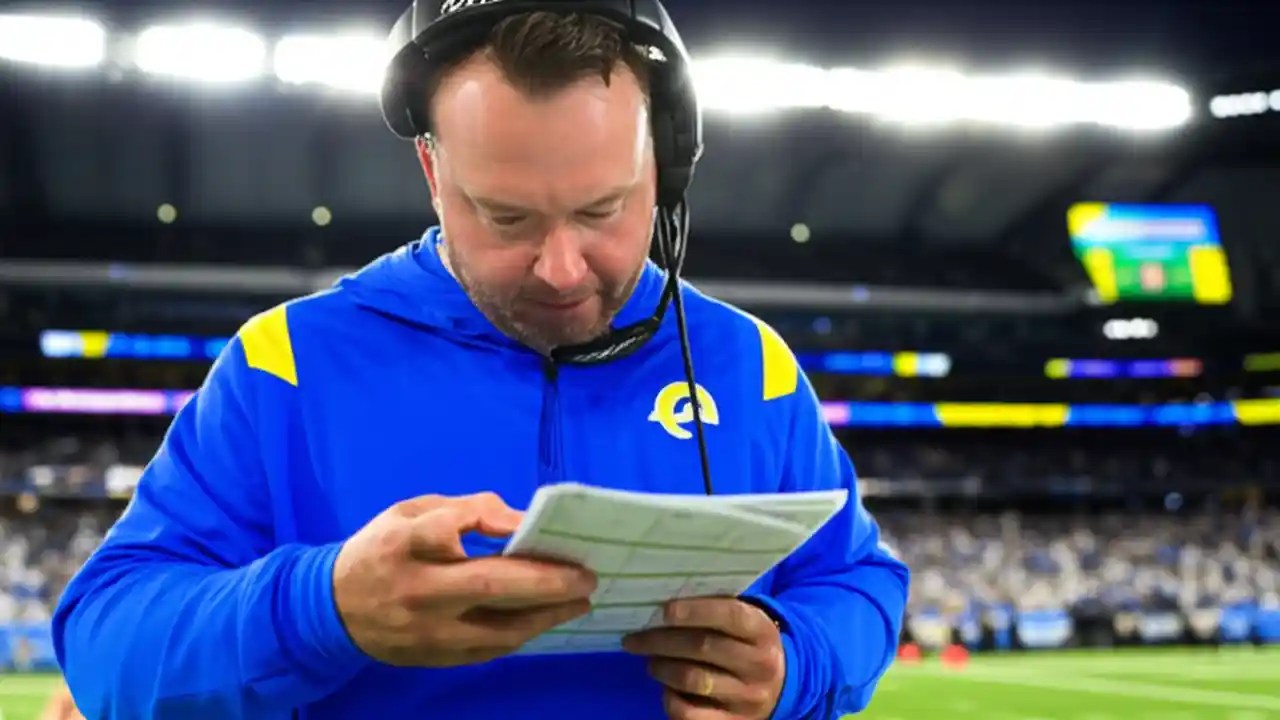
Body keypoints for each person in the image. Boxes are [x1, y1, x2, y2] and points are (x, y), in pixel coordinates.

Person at [51, 3, 909, 719]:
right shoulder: (286, 364)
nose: (564, 268)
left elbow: (857, 580)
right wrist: (323, 607)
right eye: (506, 219)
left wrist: (795, 666)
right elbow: (104, 645)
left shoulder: (749, 364)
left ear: (667, 171)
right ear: (432, 170)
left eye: (605, 208)